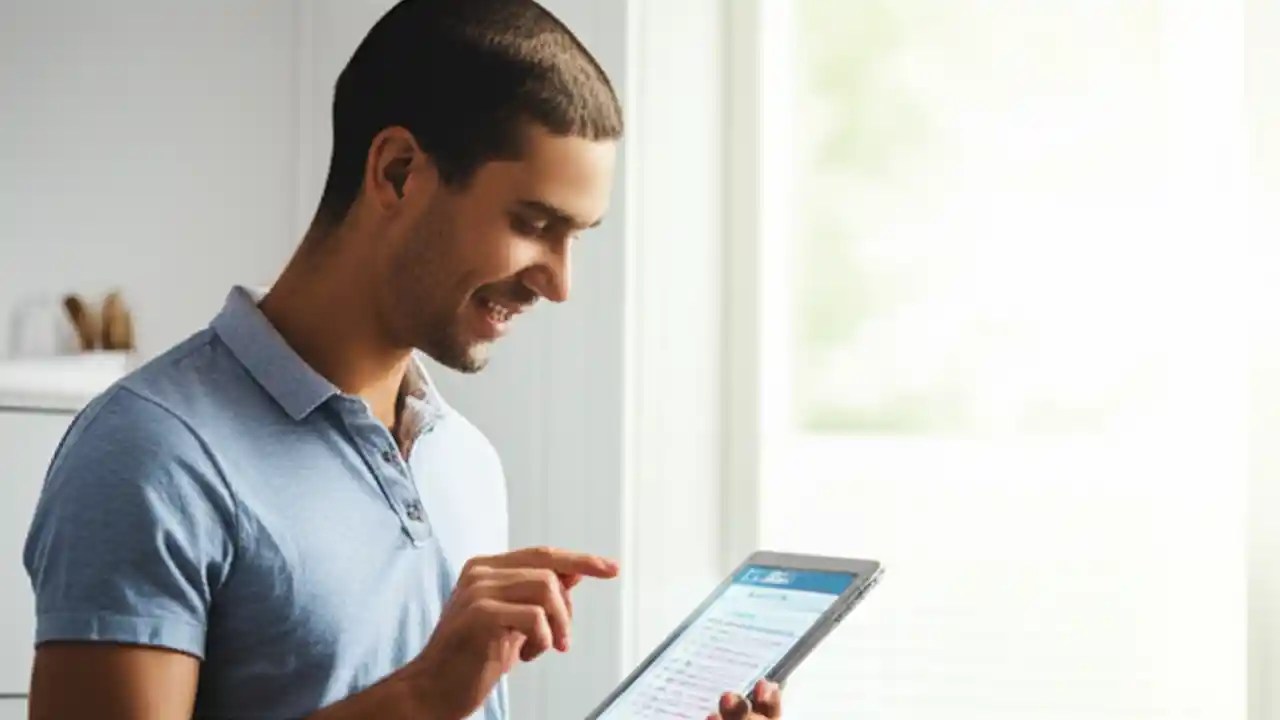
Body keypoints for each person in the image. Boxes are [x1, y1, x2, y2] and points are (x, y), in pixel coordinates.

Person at [21, 1, 782, 719]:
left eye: (575, 235)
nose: (559, 281)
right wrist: (418, 698)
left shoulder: (465, 462)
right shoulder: (150, 454)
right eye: (533, 223)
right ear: (396, 172)